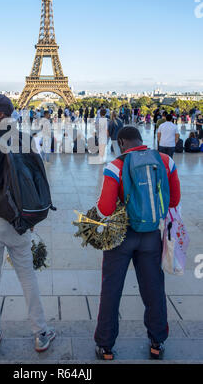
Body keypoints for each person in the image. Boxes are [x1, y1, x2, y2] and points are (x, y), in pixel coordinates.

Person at [0, 94, 55, 359]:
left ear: (1, 115)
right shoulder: (26, 139)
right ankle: (40, 332)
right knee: (27, 276)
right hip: (20, 221)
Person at [94, 126, 181, 360]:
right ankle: (157, 342)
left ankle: (106, 346)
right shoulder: (165, 161)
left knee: (111, 289)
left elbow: (106, 208)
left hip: (121, 236)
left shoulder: (115, 166)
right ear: (142, 139)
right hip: (151, 234)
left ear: (121, 142)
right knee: (154, 289)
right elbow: (174, 200)